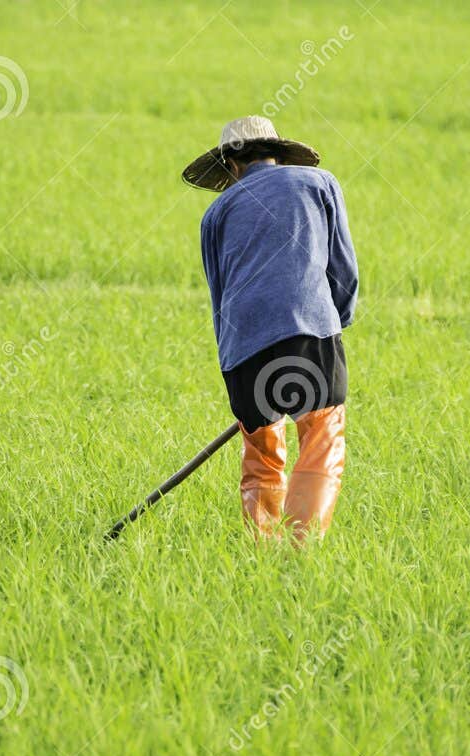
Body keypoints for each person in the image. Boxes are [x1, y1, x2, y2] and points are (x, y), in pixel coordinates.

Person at [183, 115, 358, 541]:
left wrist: (237, 366)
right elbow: (343, 271)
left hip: (242, 351)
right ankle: (301, 554)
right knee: (320, 440)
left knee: (261, 455)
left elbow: (219, 296)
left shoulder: (215, 214)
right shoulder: (318, 184)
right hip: (309, 333)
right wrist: (336, 320)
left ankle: (261, 551)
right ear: (277, 153)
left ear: (230, 165)